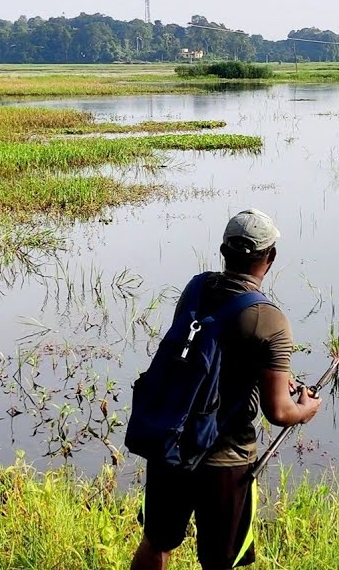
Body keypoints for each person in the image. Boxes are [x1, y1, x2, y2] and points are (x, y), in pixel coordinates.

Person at [132, 209, 322, 570]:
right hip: (225, 458)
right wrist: (306, 409)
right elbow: (279, 411)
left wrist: (272, 374)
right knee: (220, 562)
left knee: (156, 542)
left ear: (223, 251)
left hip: (171, 443)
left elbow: (201, 351)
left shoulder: (196, 288)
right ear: (270, 257)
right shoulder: (270, 319)